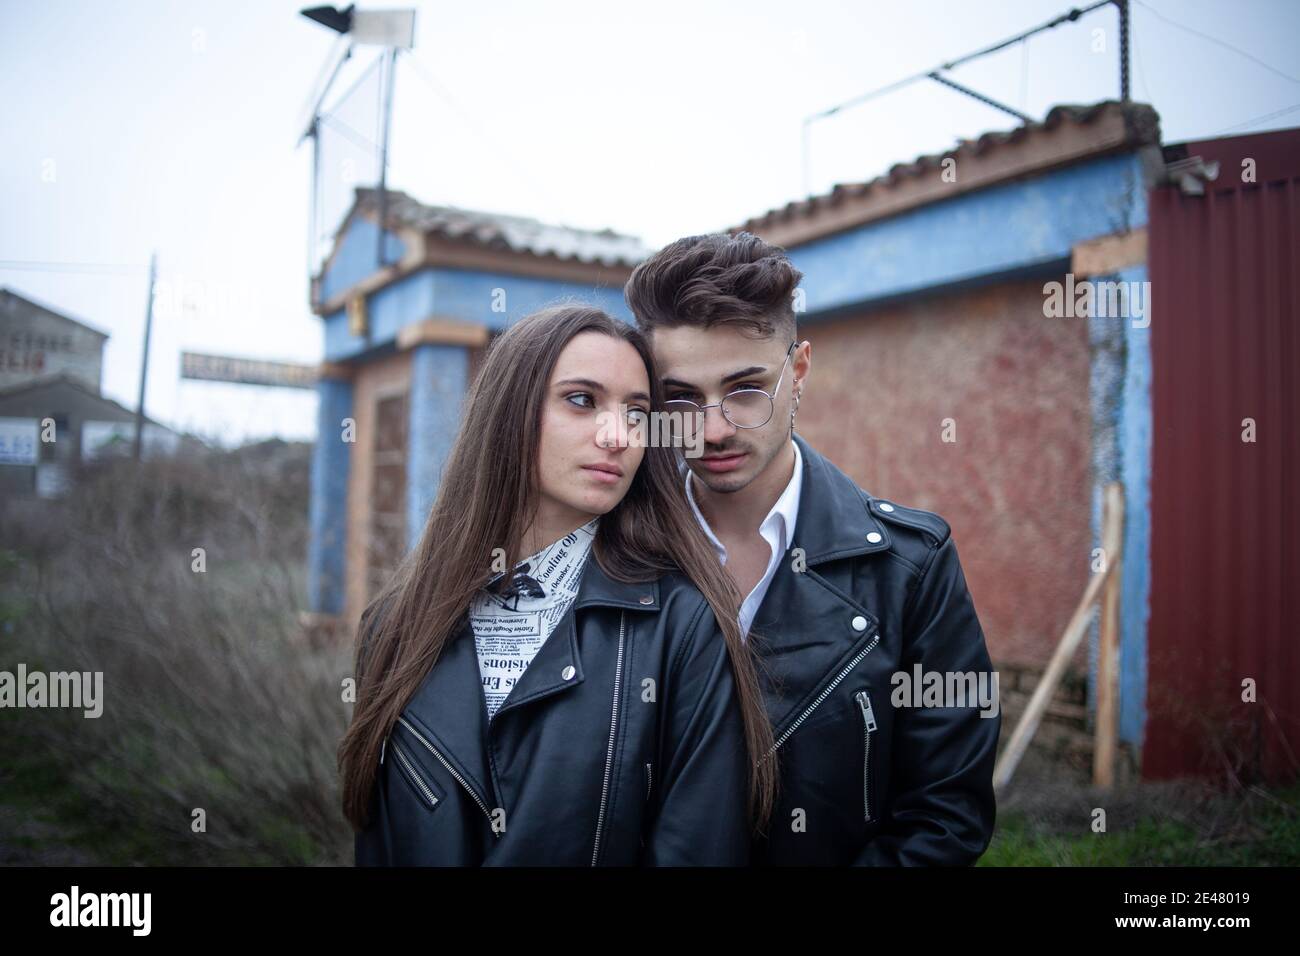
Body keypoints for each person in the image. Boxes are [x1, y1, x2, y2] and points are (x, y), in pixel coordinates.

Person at [339, 304, 777, 866]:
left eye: (638, 413)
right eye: (581, 400)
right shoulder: (393, 625)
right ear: (510, 412)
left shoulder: (682, 626)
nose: (618, 435)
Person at [625, 233, 1001, 865]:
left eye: (746, 388)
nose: (714, 429)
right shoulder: (613, 554)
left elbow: (944, 816)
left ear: (797, 371)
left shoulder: (911, 566)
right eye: (682, 397)